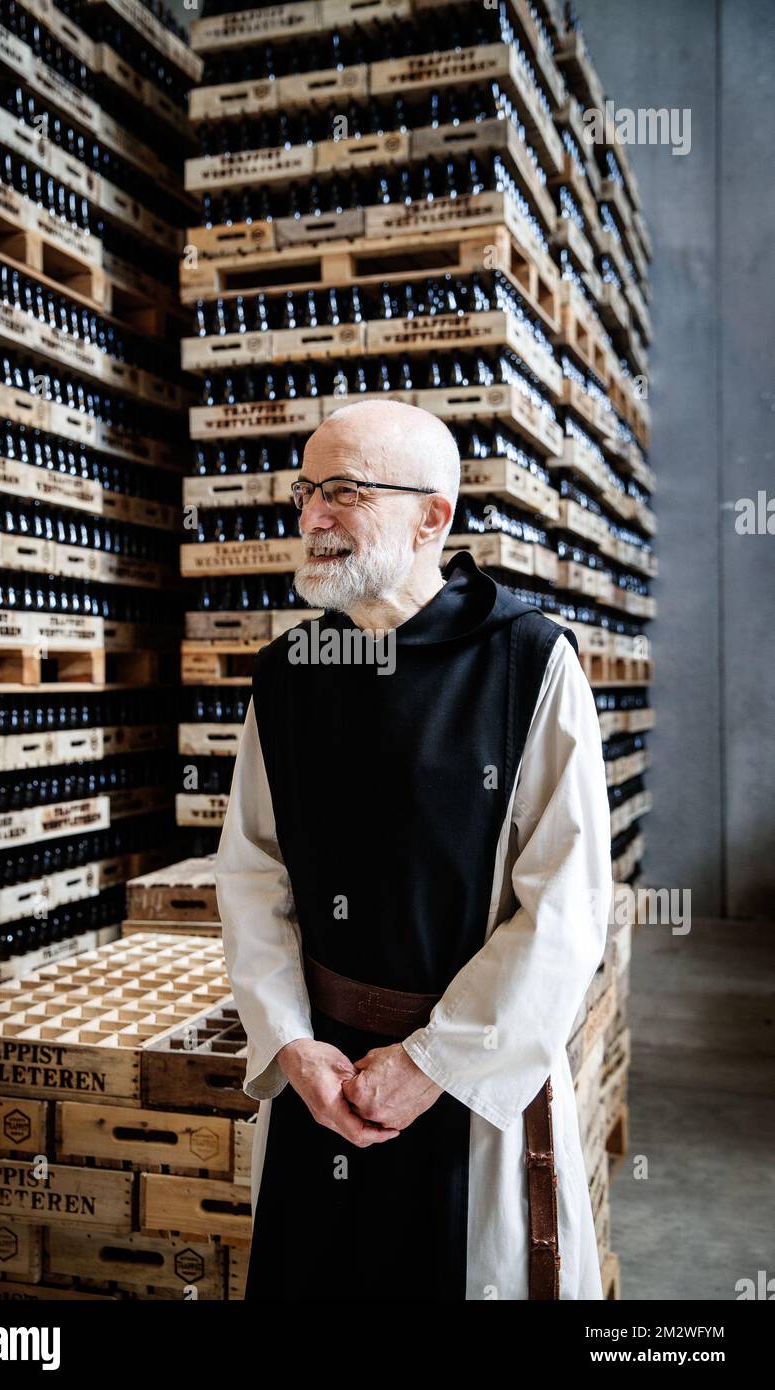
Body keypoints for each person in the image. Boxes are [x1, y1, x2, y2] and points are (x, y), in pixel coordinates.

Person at [214, 398, 612, 1300]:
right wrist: (290, 1045)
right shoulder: (286, 677)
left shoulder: (529, 662)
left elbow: (566, 900)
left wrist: (433, 1063)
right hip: (325, 1076)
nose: (312, 515)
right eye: (306, 490)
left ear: (435, 515)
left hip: (470, 1085)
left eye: (344, 491)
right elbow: (253, 873)